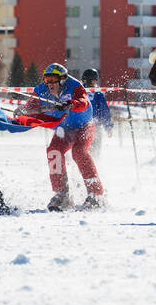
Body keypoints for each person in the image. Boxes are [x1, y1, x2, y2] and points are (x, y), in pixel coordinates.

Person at [23, 62, 105, 211]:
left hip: (84, 126)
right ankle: (62, 195)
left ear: (62, 79)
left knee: (79, 152)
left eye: (53, 80)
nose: (50, 84)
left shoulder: (74, 85)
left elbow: (83, 102)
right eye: (47, 80)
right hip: (63, 129)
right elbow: (30, 106)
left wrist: (71, 104)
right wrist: (21, 112)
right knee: (53, 151)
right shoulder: (41, 89)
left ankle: (96, 194)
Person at [82, 68, 113, 158]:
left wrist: (108, 126)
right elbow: (104, 111)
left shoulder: (78, 91)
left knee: (82, 150)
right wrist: (108, 126)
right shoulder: (97, 93)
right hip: (94, 127)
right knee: (94, 151)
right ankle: (92, 167)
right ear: (93, 80)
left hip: (81, 126)